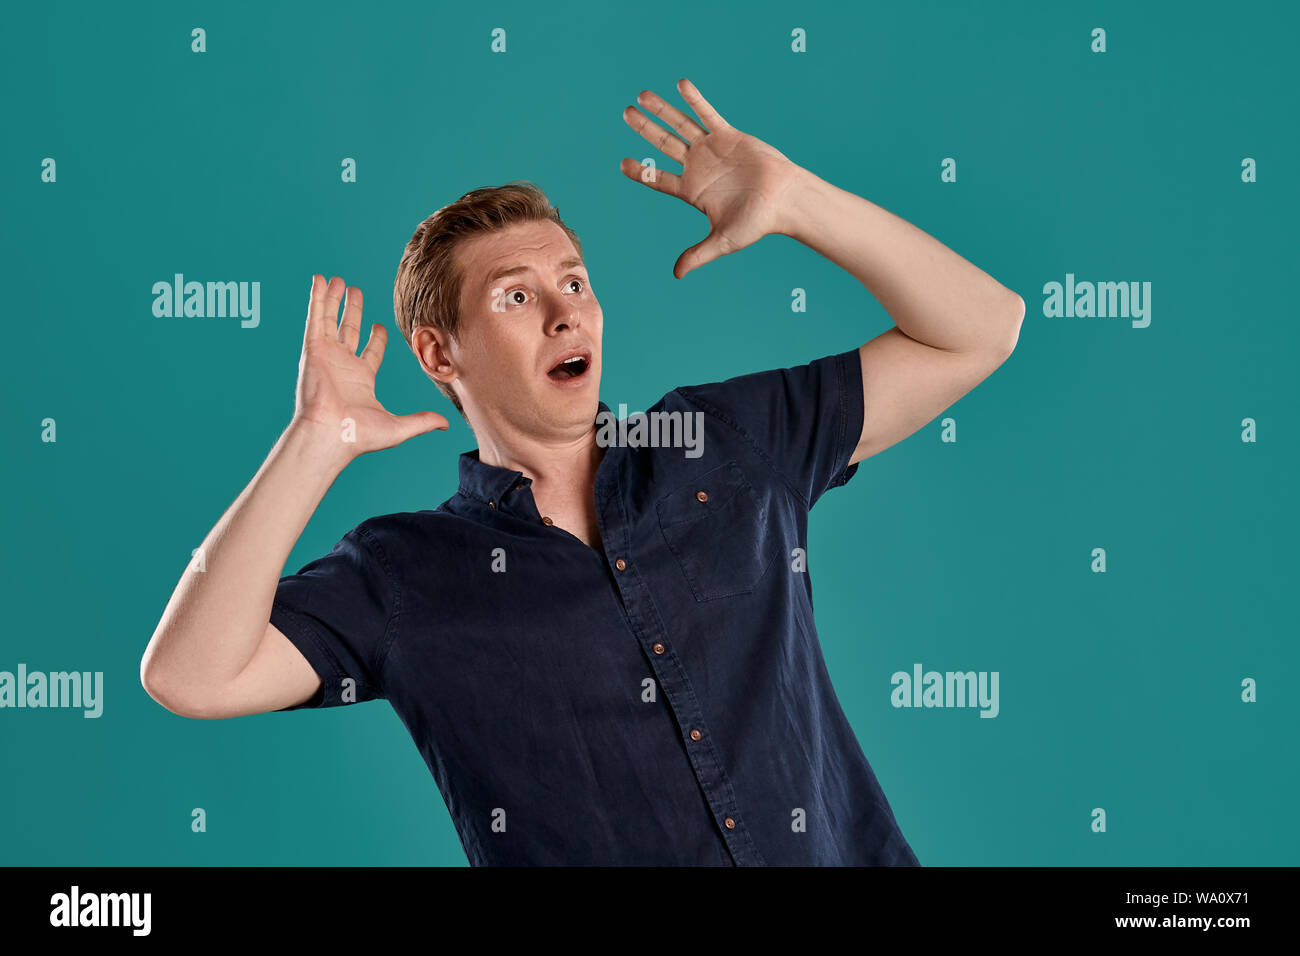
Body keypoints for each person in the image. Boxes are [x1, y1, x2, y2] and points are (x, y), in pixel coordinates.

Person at [140, 78, 1024, 866]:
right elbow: (191, 676)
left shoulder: (722, 439)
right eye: (516, 296)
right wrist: (314, 441)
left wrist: (798, 202)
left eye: (575, 281)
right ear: (439, 352)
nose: (566, 312)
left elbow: (982, 327)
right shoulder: (404, 573)